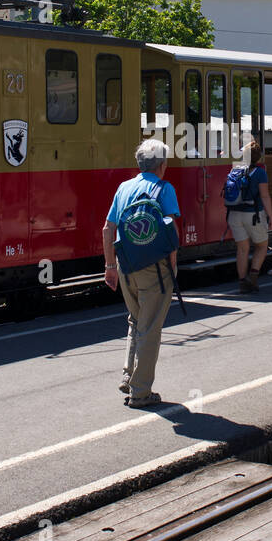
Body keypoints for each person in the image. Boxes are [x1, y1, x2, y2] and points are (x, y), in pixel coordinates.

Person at [103, 139, 180, 408]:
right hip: (155, 269)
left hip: (126, 267)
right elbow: (171, 231)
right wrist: (173, 267)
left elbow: (107, 229)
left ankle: (128, 376)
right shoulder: (164, 188)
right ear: (161, 165)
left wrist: (110, 266)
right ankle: (141, 392)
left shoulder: (124, 188)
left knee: (135, 322)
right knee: (150, 329)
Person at [227, 139, 272, 293]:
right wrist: (271, 217)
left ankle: (242, 283)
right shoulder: (260, 172)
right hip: (253, 214)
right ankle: (252, 278)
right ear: (258, 157)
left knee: (242, 249)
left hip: (234, 214)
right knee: (261, 246)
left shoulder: (235, 170)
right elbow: (265, 196)